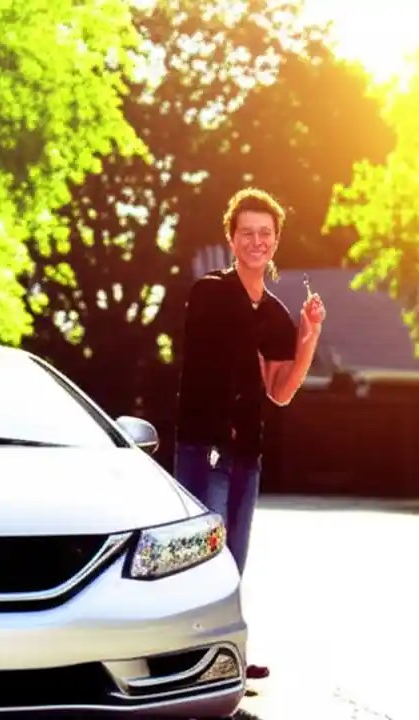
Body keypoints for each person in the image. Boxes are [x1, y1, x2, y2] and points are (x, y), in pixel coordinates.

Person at [173, 187, 325, 680]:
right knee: (203, 556)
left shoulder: (276, 313)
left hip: (246, 452)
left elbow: (280, 391)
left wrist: (307, 338)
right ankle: (186, 658)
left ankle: (226, 655)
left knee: (234, 557)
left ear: (276, 240)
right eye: (247, 233)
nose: (257, 241)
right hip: (207, 445)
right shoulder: (211, 292)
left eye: (266, 233)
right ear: (232, 239)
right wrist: (266, 345)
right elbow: (222, 356)